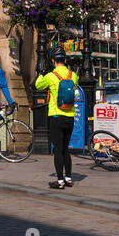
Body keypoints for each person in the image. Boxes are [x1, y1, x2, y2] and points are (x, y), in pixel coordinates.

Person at [35, 46, 78, 189]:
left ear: (53, 61)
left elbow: (38, 86)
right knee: (66, 149)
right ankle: (69, 178)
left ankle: (59, 181)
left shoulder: (50, 76)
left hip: (55, 116)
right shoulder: (73, 75)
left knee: (58, 150)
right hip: (70, 116)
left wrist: (41, 73)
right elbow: (75, 87)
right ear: (65, 60)